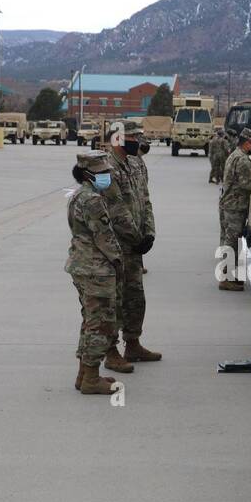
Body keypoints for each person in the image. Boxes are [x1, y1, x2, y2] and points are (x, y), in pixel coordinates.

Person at [66, 151, 125, 395]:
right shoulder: (92, 200)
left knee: (90, 320)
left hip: (82, 265)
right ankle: (91, 378)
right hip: (96, 268)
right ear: (88, 174)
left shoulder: (78, 195)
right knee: (101, 323)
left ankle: (84, 374)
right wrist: (119, 261)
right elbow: (105, 237)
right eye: (102, 172)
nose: (107, 176)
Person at [105, 121, 161, 363]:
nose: (139, 142)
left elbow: (145, 199)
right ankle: (110, 351)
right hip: (115, 247)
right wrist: (137, 237)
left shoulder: (136, 164)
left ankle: (133, 343)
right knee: (113, 300)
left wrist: (149, 232)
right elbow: (116, 210)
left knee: (135, 297)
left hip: (135, 246)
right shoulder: (106, 168)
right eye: (135, 137)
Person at [216, 128, 251, 291]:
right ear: (248, 143)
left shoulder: (234, 155)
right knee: (231, 242)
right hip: (235, 205)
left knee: (228, 239)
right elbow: (247, 184)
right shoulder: (243, 159)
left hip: (228, 203)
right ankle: (226, 278)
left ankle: (232, 276)